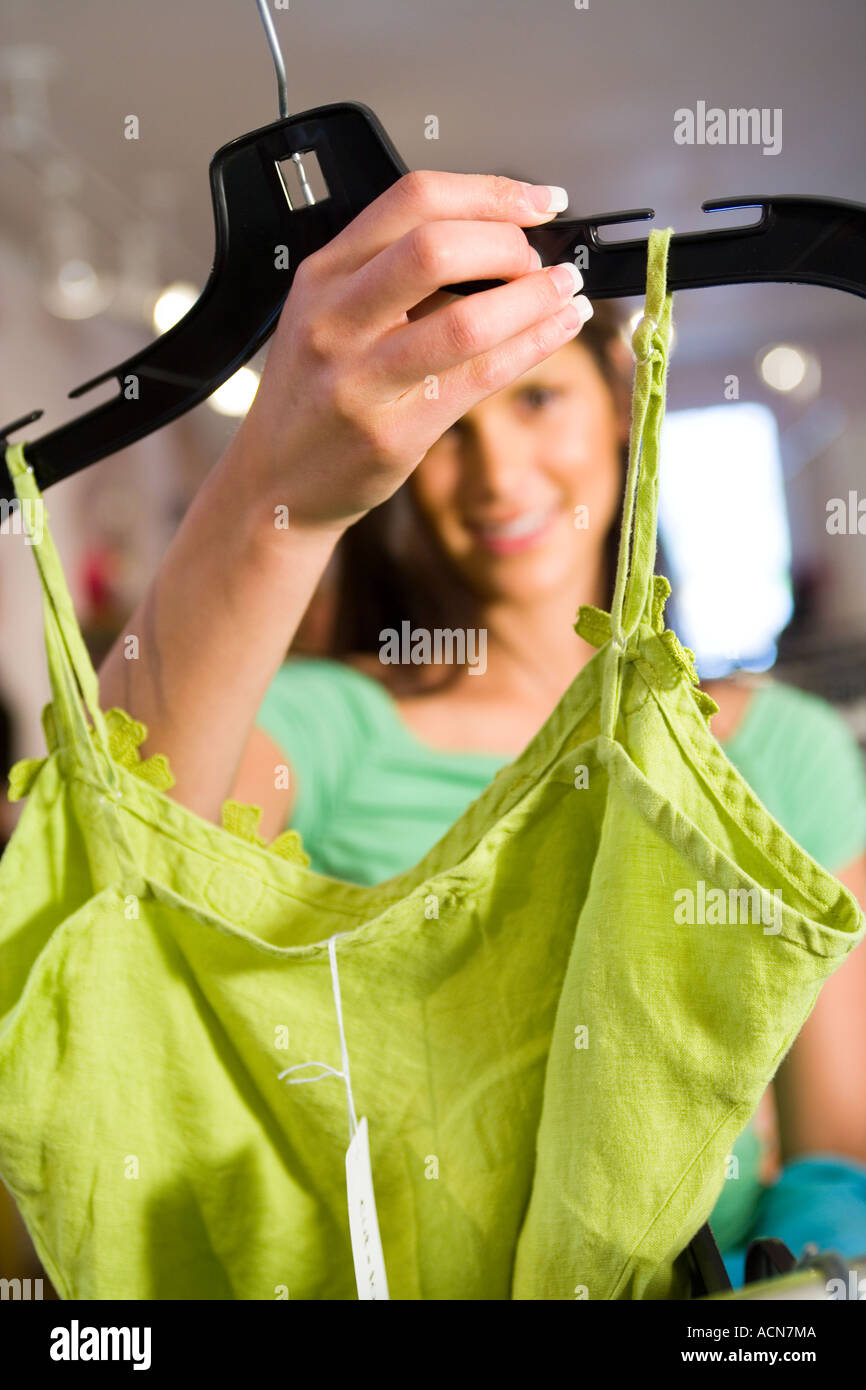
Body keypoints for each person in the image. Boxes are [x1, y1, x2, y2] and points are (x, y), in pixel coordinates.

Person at [98, 171, 866, 1290]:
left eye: (536, 399)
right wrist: (269, 486)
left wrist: (795, 1280)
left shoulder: (782, 748)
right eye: (447, 425)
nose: (498, 473)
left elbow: (834, 1123)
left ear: (617, 393)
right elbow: (108, 848)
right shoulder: (334, 726)